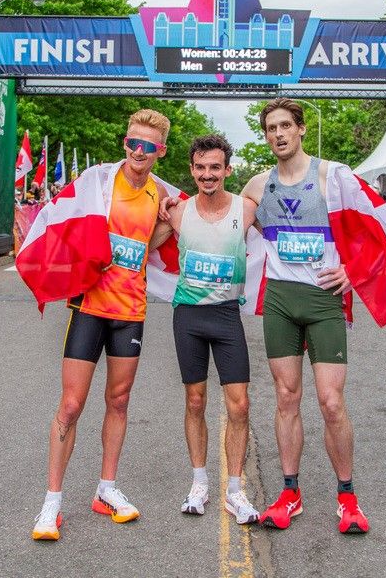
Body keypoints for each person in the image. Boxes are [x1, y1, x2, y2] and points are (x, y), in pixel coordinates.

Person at [241, 98, 386, 536]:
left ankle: (348, 496)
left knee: (332, 402)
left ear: (299, 129)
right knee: (286, 398)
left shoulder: (332, 175)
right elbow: (224, 222)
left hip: (323, 302)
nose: (278, 134)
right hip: (280, 300)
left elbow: (382, 224)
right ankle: (290, 492)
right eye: (270, 129)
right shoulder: (257, 186)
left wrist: (354, 273)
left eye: (285, 126)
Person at [28, 108, 170, 541]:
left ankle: (105, 490)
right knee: (71, 405)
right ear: (124, 142)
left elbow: (156, 238)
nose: (137, 152)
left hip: (130, 310)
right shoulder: (99, 181)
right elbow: (63, 218)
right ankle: (51, 502)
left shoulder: (161, 194)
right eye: (132, 142)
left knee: (120, 401)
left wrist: (155, 233)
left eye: (147, 146)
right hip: (89, 305)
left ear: (159, 152)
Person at [148, 134, 261, 525]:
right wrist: (159, 213)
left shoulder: (246, 210)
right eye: (200, 167)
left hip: (227, 315)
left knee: (240, 405)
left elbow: (285, 231)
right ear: (192, 170)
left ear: (227, 170)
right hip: (189, 317)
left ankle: (235, 491)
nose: (208, 174)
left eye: (215, 167)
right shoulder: (178, 213)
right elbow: (144, 247)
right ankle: (199, 483)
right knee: (195, 401)